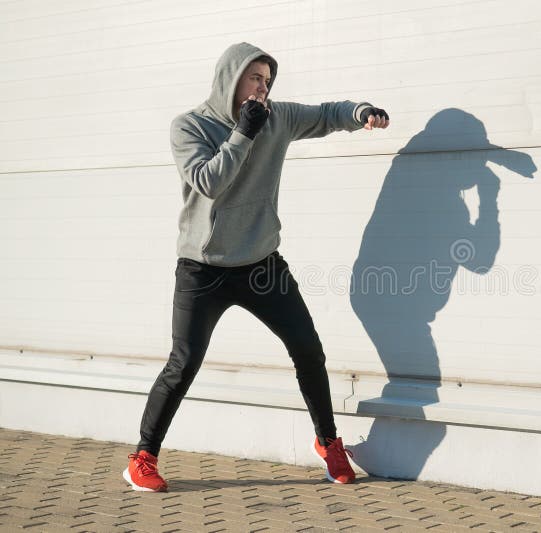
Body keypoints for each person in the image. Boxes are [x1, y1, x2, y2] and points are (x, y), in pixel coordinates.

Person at [122, 42, 390, 492]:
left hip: (261, 265)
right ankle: (143, 457)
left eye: (268, 81)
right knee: (183, 363)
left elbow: (326, 113)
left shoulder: (277, 117)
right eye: (255, 78)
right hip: (202, 269)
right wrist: (244, 133)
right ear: (232, 78)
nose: (263, 89)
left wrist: (360, 112)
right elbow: (209, 181)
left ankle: (328, 443)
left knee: (308, 349)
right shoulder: (189, 126)